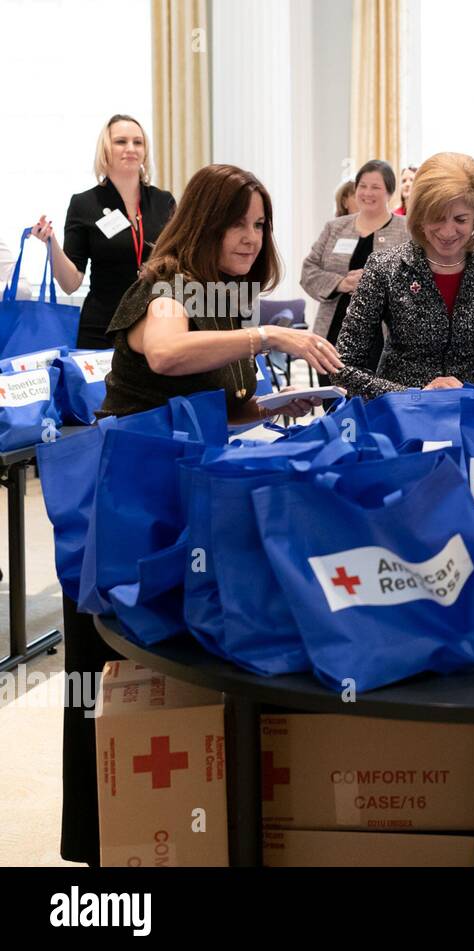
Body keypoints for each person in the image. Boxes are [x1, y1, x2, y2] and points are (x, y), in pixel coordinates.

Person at [61, 163, 339, 865]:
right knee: (114, 674)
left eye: (260, 224)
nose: (251, 237)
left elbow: (216, 404)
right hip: (130, 500)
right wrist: (271, 339)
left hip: (178, 493)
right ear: (205, 221)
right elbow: (165, 352)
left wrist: (278, 405)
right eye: (238, 222)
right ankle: (110, 843)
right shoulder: (166, 283)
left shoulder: (224, 296)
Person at [334, 152, 474, 399]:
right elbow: (344, 367)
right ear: (419, 214)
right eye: (437, 218)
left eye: (460, 219)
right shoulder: (384, 268)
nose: (448, 231)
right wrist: (413, 394)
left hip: (469, 422)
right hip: (400, 420)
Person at [30, 114, 176, 348]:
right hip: (102, 329)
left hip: (155, 324)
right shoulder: (85, 204)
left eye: (138, 142)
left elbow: (179, 261)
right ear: (106, 149)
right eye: (121, 141)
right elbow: (71, 283)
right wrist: (51, 244)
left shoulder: (163, 201)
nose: (131, 148)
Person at [301, 160, 408, 380]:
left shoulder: (406, 230)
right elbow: (308, 271)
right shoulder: (336, 227)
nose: (368, 193)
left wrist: (375, 283)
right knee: (333, 399)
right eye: (363, 186)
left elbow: (417, 279)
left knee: (374, 401)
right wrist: (341, 283)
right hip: (334, 330)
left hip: (384, 334)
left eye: (376, 187)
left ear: (389, 192)